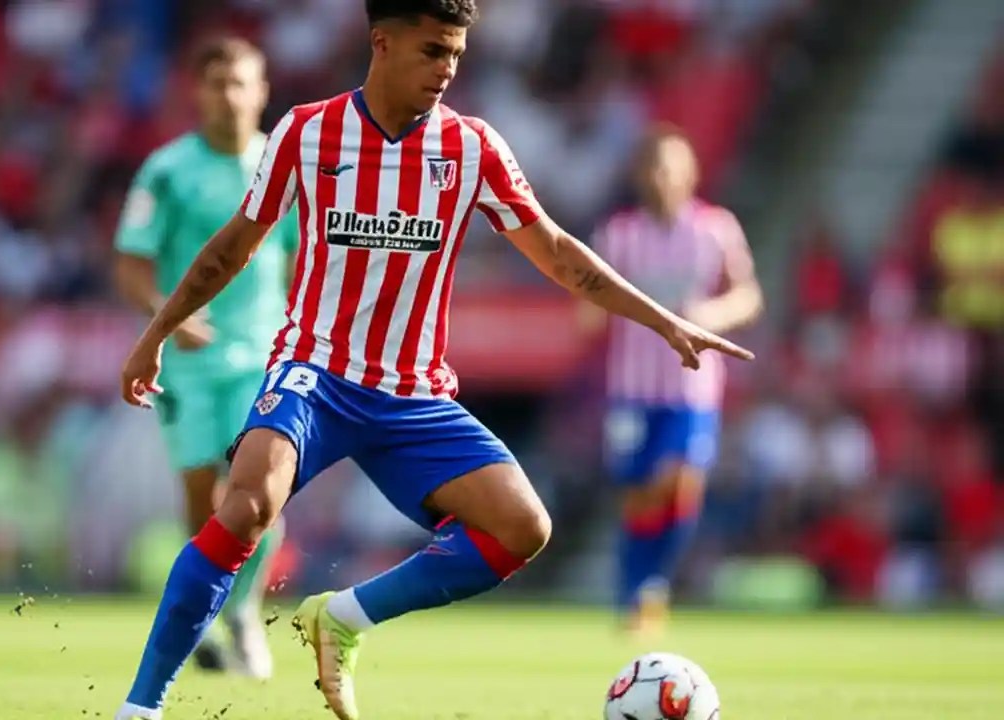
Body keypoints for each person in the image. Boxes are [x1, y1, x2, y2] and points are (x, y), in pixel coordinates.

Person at [114, 2, 753, 718]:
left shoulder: (472, 147)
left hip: (412, 395)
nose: (448, 68)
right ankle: (142, 707)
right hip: (316, 373)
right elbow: (235, 245)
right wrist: (155, 334)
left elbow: (558, 253)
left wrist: (664, 320)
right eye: (433, 51)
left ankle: (343, 618)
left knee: (524, 528)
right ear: (382, 43)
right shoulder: (308, 132)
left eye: (456, 53)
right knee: (248, 505)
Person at [111, 37, 298, 680]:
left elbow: (305, 258)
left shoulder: (284, 164)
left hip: (266, 354)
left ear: (263, 90)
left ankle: (243, 613)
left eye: (241, 83)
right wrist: (171, 314)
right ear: (198, 92)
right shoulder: (167, 171)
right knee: (202, 497)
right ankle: (212, 614)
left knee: (263, 493)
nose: (229, 96)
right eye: (217, 84)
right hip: (187, 364)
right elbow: (131, 267)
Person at [580, 126, 764, 635]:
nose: (663, 178)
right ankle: (634, 594)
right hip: (631, 392)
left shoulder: (716, 229)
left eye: (673, 167)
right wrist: (594, 311)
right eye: (655, 167)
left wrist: (710, 313)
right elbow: (589, 304)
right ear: (641, 175)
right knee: (638, 495)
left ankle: (651, 588)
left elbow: (748, 296)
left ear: (691, 173)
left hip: (691, 388)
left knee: (681, 483)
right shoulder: (617, 235)